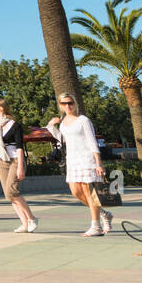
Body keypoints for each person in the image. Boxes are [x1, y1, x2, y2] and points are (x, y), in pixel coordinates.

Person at [44, 94, 114, 236]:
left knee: (90, 194)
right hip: (72, 161)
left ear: (75, 104)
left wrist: (98, 163)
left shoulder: (83, 120)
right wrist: (51, 126)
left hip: (87, 160)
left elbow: (92, 142)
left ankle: (96, 226)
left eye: (70, 103)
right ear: (60, 105)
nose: (67, 106)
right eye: (64, 103)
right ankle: (104, 214)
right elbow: (63, 139)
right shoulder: (63, 122)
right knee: (76, 192)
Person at [0, 98, 37, 232]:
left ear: (1, 108)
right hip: (2, 160)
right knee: (9, 195)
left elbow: (19, 147)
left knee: (12, 191)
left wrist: (21, 167)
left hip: (15, 160)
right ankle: (24, 223)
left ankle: (32, 218)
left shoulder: (15, 125)